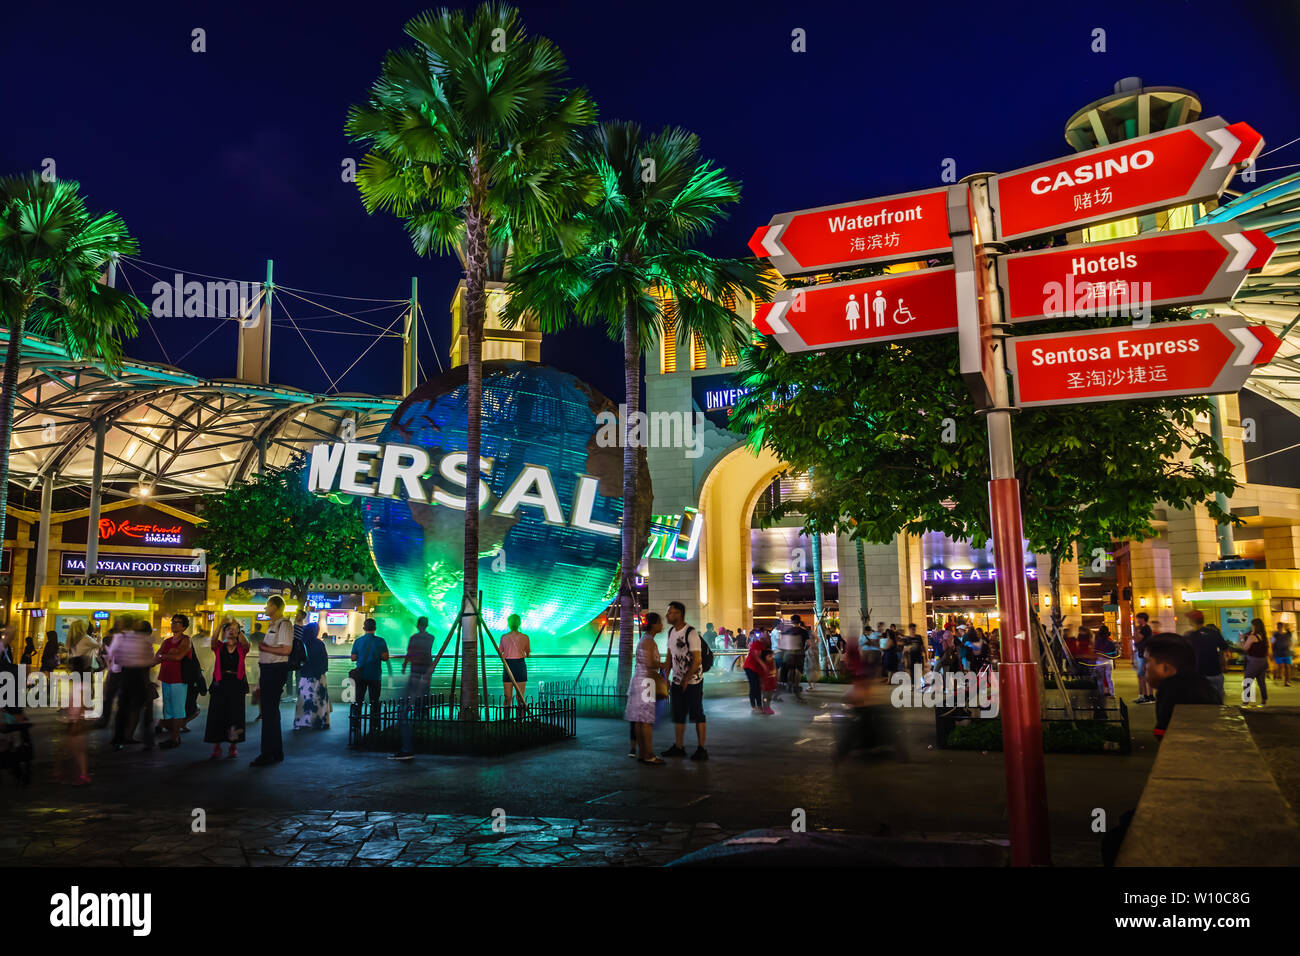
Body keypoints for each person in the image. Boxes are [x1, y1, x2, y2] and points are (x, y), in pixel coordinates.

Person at [1145, 633, 1220, 740]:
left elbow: (1163, 734)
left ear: (1166, 668)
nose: (1145, 668)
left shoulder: (1169, 689)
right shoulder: (1203, 683)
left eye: (1147, 662)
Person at [251, 595, 294, 766]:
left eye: (267, 606)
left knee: (269, 714)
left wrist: (265, 648)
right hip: (268, 670)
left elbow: (286, 650)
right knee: (271, 713)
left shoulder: (284, 624)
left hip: (274, 671)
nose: (265, 609)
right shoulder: (274, 625)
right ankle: (275, 751)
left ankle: (267, 753)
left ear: (275, 607)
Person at [662, 601, 707, 761]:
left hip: (693, 681)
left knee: (697, 714)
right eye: (668, 613)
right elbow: (669, 656)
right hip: (677, 681)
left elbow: (697, 659)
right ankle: (679, 746)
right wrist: (666, 676)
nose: (667, 615)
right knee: (678, 714)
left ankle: (701, 748)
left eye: (670, 612)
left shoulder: (691, 632)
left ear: (679, 614)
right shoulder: (671, 632)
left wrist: (687, 679)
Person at [110, 616, 156, 752]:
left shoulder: (122, 638)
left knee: (123, 709)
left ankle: (119, 740)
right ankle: (146, 740)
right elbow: (149, 661)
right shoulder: (145, 640)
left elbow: (115, 656)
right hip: (140, 675)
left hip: (126, 674)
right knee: (144, 709)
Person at [205, 619, 249, 759]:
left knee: (235, 715)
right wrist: (219, 625)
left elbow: (246, 643)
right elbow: (213, 640)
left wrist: (238, 628)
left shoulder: (242, 648)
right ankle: (217, 746)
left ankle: (233, 746)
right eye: (228, 629)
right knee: (217, 715)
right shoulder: (219, 647)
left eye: (234, 630)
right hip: (220, 683)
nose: (231, 631)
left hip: (236, 684)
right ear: (224, 632)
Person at [626, 612, 666, 764]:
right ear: (653, 625)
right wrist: (665, 664)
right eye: (660, 622)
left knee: (639, 719)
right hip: (646, 681)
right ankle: (648, 754)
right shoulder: (649, 641)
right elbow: (650, 663)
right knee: (646, 719)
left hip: (640, 680)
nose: (662, 625)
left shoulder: (645, 640)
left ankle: (642, 753)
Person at [392, 617, 434, 760]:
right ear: (426, 625)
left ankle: (414, 715)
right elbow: (427, 653)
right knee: (424, 694)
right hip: (426, 670)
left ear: (418, 625)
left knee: (410, 696)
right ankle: (422, 715)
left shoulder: (414, 638)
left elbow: (410, 653)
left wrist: (404, 665)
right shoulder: (431, 638)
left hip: (415, 670)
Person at [154, 614, 192, 750]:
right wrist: (169, 654)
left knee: (177, 708)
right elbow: (157, 656)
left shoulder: (186, 640)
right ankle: (174, 735)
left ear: (184, 626)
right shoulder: (167, 641)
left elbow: (178, 656)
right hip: (166, 677)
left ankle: (174, 738)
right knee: (168, 708)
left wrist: (164, 655)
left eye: (178, 622)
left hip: (179, 678)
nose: (174, 624)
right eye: (173, 622)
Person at [349, 617, 389, 741]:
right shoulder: (381, 641)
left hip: (361, 676)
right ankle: (374, 725)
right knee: (374, 701)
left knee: (358, 701)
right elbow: (385, 657)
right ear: (375, 628)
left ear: (364, 628)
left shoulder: (358, 641)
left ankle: (356, 725)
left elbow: (353, 658)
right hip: (375, 675)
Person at [1183, 609, 1230, 704]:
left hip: (1199, 676)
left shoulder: (1189, 636)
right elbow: (1225, 650)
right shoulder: (1214, 633)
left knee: (1201, 705)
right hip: (1216, 674)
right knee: (1218, 703)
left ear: (1192, 621)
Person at [294, 621, 332, 731]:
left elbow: (298, 660)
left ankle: (303, 721)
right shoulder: (319, 644)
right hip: (318, 676)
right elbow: (324, 661)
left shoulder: (302, 643)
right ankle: (320, 721)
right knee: (319, 700)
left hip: (305, 676)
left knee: (305, 699)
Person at [499, 614, 531, 717]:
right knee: (520, 697)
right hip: (520, 665)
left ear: (508, 623)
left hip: (508, 665)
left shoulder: (504, 637)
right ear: (519, 623)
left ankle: (506, 719)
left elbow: (500, 653)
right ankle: (520, 719)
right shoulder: (525, 637)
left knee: (508, 696)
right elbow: (528, 653)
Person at [779, 614, 808, 701]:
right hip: (799, 653)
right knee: (798, 670)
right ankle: (796, 685)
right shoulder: (803, 631)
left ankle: (789, 684)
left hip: (789, 654)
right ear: (799, 621)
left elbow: (782, 644)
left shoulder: (788, 631)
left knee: (790, 669)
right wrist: (804, 649)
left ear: (792, 621)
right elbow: (809, 643)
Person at [1241, 618, 1270, 707]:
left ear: (1255, 626)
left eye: (1252, 625)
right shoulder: (1263, 636)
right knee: (1261, 682)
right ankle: (1263, 701)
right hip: (1263, 661)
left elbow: (1245, 648)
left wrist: (1242, 639)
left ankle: (1246, 701)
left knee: (1247, 680)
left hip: (1254, 662)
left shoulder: (1252, 637)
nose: (1251, 627)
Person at [742, 626, 769, 713]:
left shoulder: (763, 644)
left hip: (756, 668)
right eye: (764, 633)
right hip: (750, 667)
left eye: (766, 633)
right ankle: (754, 707)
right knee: (754, 687)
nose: (766, 634)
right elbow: (756, 656)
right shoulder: (757, 643)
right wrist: (764, 666)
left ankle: (759, 706)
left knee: (757, 687)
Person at [1132, 612, 1155, 703]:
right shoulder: (1145, 628)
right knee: (1144, 675)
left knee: (1141, 675)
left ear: (1142, 619)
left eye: (1138, 618)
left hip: (1144, 654)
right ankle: (1148, 695)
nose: (1137, 620)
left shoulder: (1145, 628)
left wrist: (1136, 631)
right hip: (1143, 653)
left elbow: (1137, 639)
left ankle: (1145, 696)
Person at [1093, 624, 1118, 698]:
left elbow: (1095, 652)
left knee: (1100, 679)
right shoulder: (1110, 642)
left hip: (1100, 661)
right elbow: (1114, 653)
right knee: (1109, 678)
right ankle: (1112, 693)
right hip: (1108, 661)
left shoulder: (1097, 642)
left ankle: (1101, 693)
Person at [1271, 622, 1292, 687]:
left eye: (1281, 626)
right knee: (1280, 666)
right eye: (1279, 626)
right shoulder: (1275, 634)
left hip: (1287, 653)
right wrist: (1273, 652)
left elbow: (1291, 641)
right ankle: (1277, 676)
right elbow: (1272, 643)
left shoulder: (1288, 634)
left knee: (1287, 667)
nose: (1280, 627)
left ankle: (1287, 681)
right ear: (1277, 627)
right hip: (1278, 653)